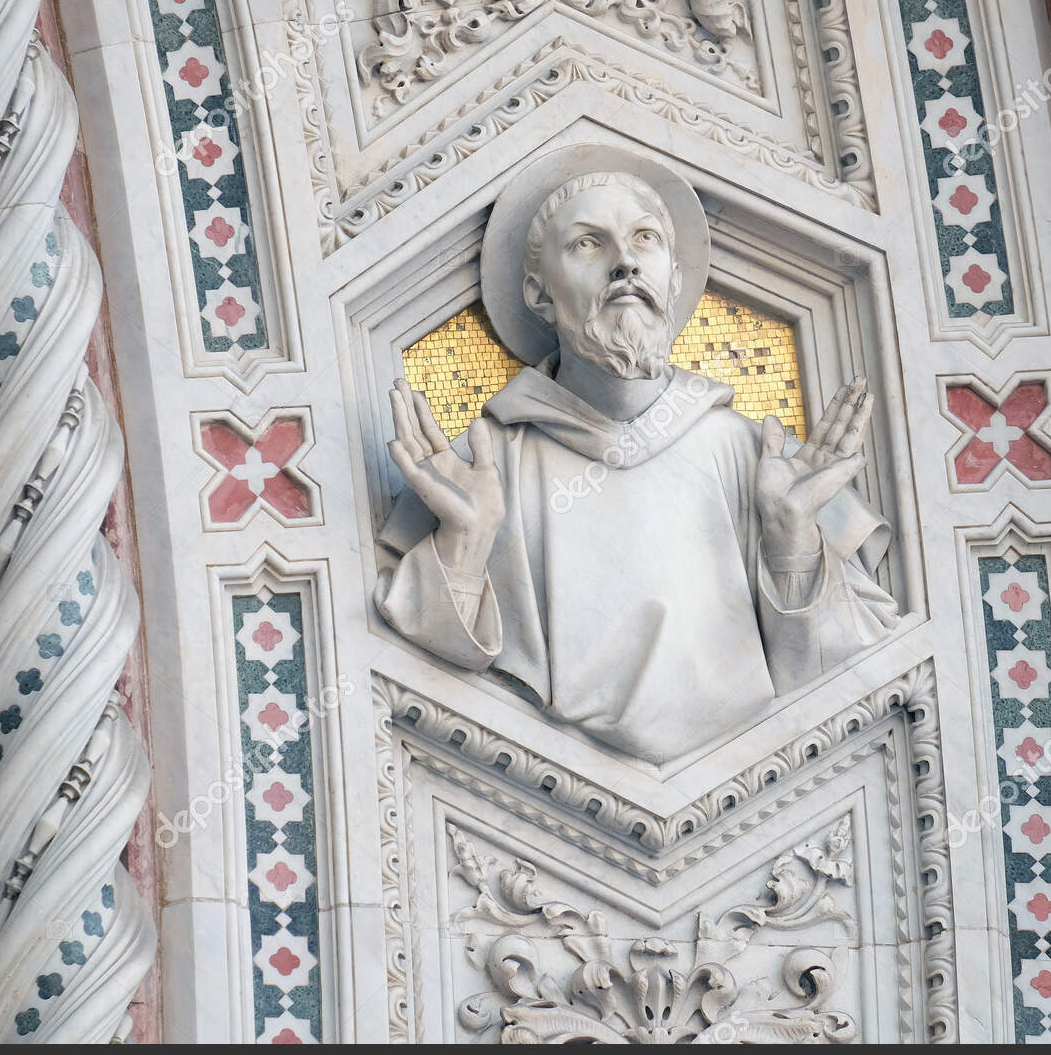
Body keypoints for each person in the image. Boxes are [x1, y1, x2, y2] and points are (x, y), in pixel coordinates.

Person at [376, 147, 899, 762]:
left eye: (644, 239)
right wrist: (464, 549)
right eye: (588, 244)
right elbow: (416, 671)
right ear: (539, 295)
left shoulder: (756, 458)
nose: (624, 263)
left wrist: (793, 544)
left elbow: (855, 671)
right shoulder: (486, 468)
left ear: (673, 282)